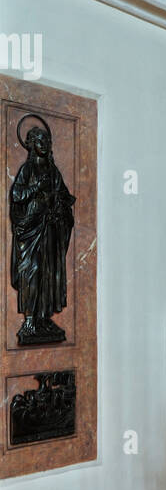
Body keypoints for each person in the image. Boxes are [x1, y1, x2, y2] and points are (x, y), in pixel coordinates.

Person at [10, 119, 76, 345]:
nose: (44, 143)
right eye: (39, 140)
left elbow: (64, 195)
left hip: (50, 230)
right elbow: (17, 195)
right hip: (31, 229)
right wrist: (36, 188)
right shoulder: (28, 169)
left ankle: (44, 318)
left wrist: (63, 201)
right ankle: (29, 320)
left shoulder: (53, 170)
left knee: (49, 274)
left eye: (46, 140)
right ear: (30, 144)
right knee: (32, 272)